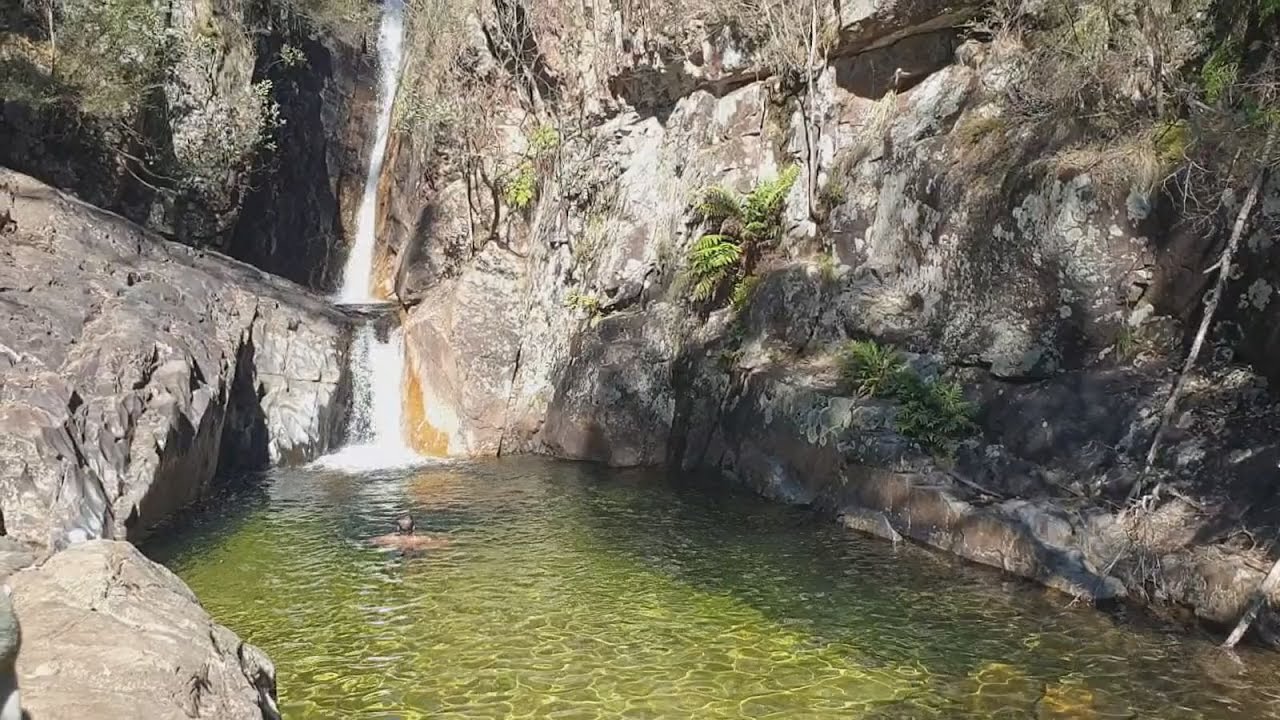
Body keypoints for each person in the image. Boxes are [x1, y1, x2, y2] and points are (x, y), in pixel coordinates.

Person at [370, 514, 449, 552]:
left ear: (397, 528)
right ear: (414, 527)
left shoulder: (387, 539)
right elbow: (444, 543)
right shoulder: (422, 539)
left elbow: (371, 541)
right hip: (416, 555)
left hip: (395, 551)